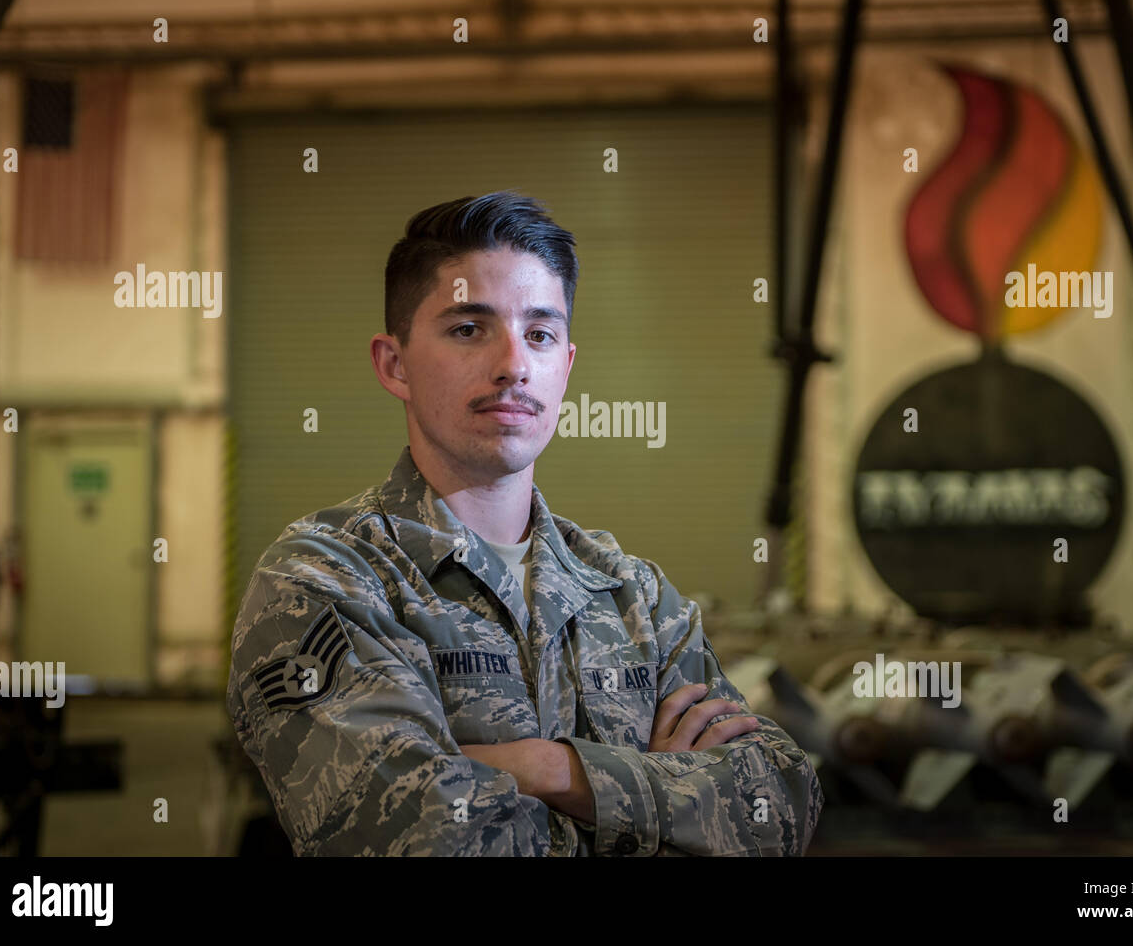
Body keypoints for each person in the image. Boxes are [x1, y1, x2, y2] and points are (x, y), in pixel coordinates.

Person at [225, 190, 824, 856]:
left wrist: (546, 768)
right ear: (393, 364)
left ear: (565, 366)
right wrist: (663, 801)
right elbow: (425, 838)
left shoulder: (632, 595)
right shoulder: (326, 578)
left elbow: (782, 807)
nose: (513, 364)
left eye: (540, 333)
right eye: (467, 328)